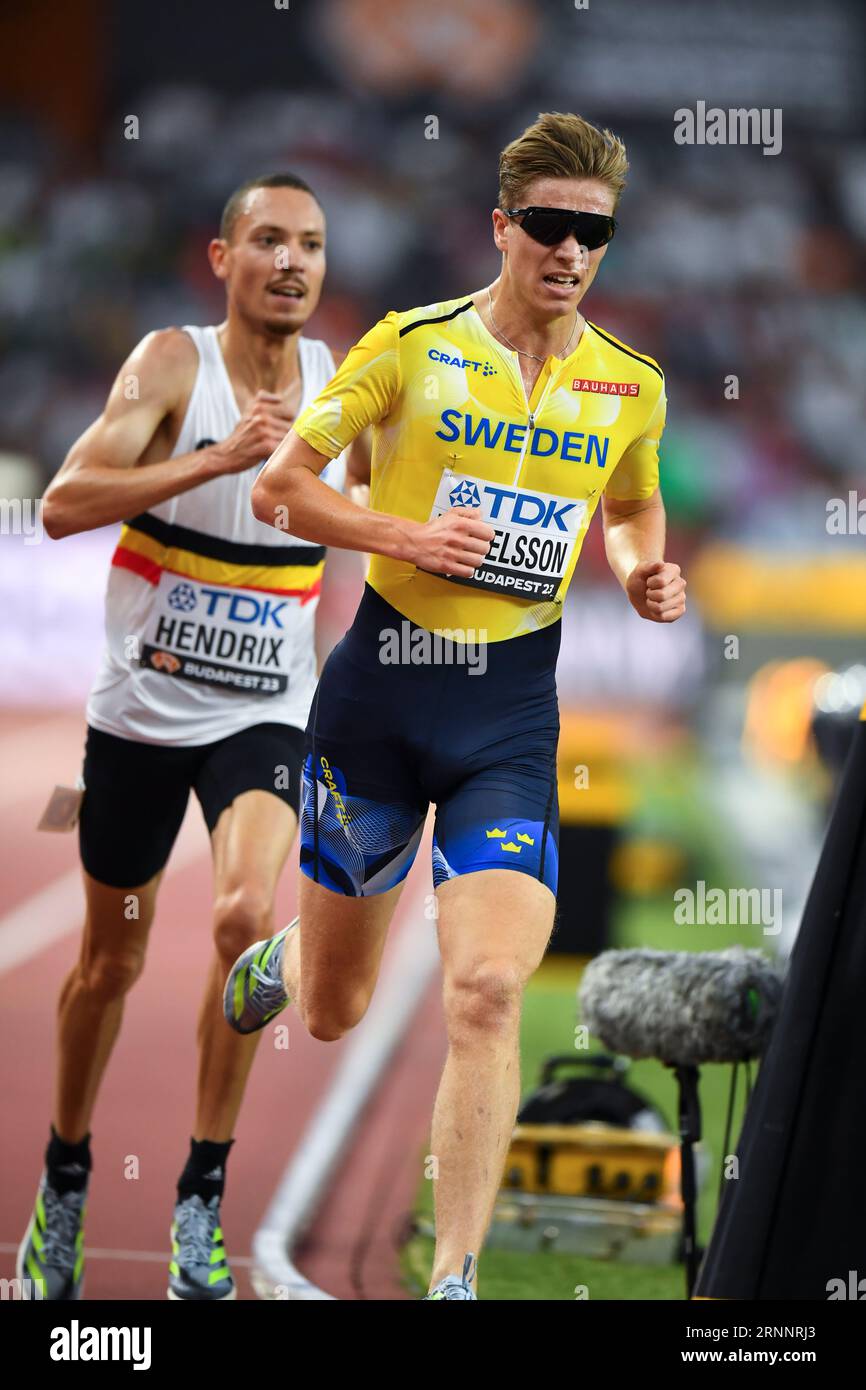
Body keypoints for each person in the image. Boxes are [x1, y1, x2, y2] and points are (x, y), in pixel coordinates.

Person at [225, 113, 686, 1300]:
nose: (569, 250)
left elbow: (632, 502)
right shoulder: (411, 345)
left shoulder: (629, 384)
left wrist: (640, 564)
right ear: (502, 227)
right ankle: (293, 951)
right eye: (547, 225)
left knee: (484, 990)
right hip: (378, 699)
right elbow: (282, 488)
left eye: (593, 232)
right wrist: (405, 532)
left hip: (508, 716)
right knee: (331, 1009)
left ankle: (456, 1279)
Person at [17, 173, 369, 1301]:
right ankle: (67, 1175)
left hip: (262, 715)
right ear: (222, 259)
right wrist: (216, 460)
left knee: (238, 918)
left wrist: (341, 671)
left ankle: (200, 1195)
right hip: (138, 720)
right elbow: (64, 502)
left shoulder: (339, 382)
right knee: (109, 959)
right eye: (267, 240)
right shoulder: (172, 363)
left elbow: (350, 538)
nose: (291, 262)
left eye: (309, 245)